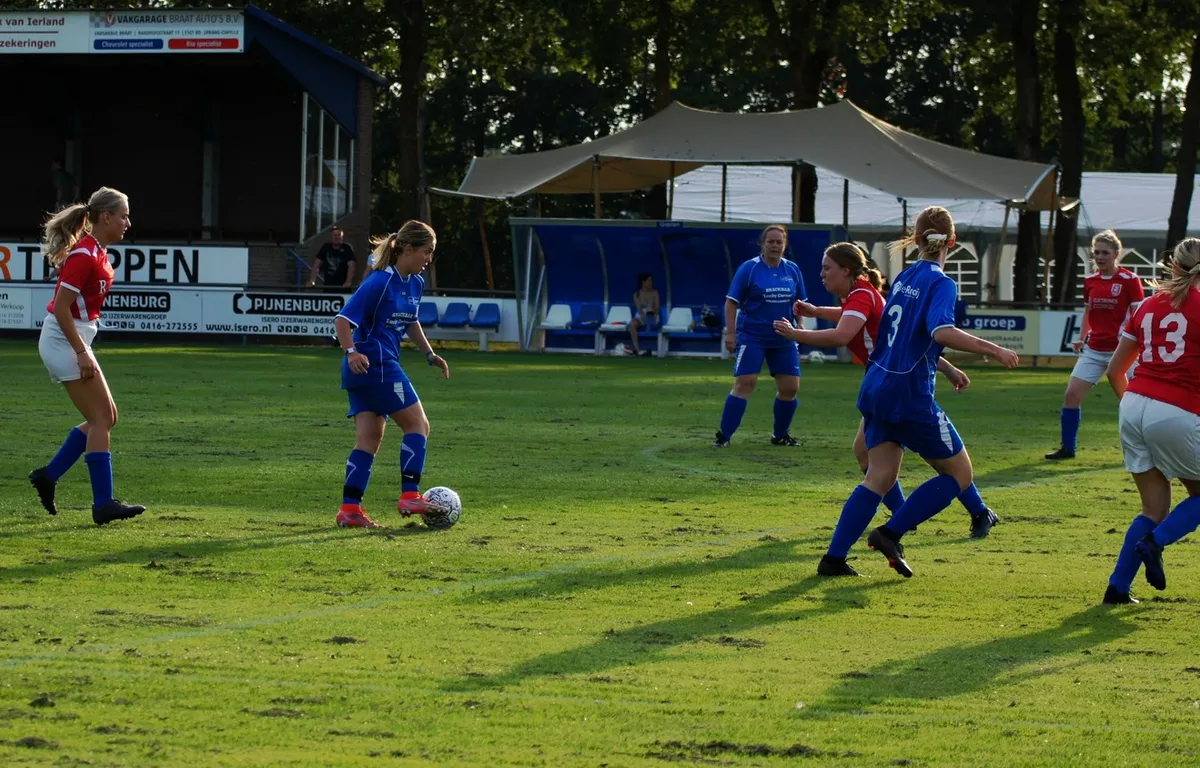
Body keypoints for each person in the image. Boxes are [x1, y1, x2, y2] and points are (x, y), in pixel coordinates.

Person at [773, 243, 999, 568]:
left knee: (879, 467)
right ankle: (901, 522)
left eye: (827, 268)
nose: (822, 273)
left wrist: (797, 333)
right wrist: (817, 312)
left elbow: (846, 333)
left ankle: (886, 530)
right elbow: (906, 331)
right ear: (948, 242)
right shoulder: (863, 295)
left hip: (887, 385)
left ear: (847, 271)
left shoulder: (884, 286)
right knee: (927, 467)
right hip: (894, 384)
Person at [823, 207, 1018, 578]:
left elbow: (901, 339)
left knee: (878, 477)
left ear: (915, 239)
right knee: (959, 475)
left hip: (876, 385)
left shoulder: (903, 276)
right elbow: (941, 331)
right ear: (953, 242)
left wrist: (945, 367)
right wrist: (993, 349)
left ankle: (833, 558)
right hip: (909, 395)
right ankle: (890, 533)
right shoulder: (942, 282)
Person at [28, 187, 145, 526]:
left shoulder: (97, 251)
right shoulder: (84, 255)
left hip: (74, 339)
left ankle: (49, 475)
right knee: (100, 420)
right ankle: (103, 504)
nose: (128, 222)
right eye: (123, 215)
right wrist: (81, 352)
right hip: (64, 341)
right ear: (105, 217)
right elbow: (62, 309)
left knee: (107, 417)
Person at [331, 220, 451, 528]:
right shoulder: (379, 281)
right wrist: (351, 351)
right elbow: (342, 321)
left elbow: (410, 321)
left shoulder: (415, 283)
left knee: (368, 439)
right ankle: (410, 494)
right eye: (427, 252)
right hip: (375, 365)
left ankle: (350, 510)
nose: (429, 259)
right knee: (419, 425)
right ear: (408, 250)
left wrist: (429, 353)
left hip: (367, 369)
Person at [1100, 237, 1200, 604]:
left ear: (1172, 265)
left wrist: (1138, 409)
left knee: (1153, 509)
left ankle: (1117, 588)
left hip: (1134, 404)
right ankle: (1154, 543)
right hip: (1175, 410)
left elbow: (1114, 371)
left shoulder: (1146, 305)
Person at [1046, 230, 1145, 460]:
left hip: (1123, 351)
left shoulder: (1130, 281)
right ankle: (1068, 448)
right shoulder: (1091, 281)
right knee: (1072, 394)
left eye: (1105, 253)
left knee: (1132, 402)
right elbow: (1089, 311)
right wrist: (1082, 336)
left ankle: (1141, 448)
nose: (1100, 257)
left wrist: (1135, 343)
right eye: (1096, 252)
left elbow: (1137, 314)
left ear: (1116, 254)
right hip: (1095, 349)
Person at [713, 225, 806, 447]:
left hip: (784, 338)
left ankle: (780, 435)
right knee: (746, 382)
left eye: (779, 242)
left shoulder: (792, 270)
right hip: (753, 336)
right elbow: (730, 302)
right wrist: (731, 333)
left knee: (790, 388)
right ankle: (724, 436)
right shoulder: (750, 269)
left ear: (785, 245)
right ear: (762, 244)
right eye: (771, 241)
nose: (775, 246)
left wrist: (800, 328)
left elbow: (800, 304)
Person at [626, 272, 660, 357]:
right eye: (649, 281)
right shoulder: (636, 294)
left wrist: (651, 311)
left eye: (651, 281)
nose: (651, 283)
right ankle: (637, 350)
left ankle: (649, 327)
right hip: (642, 316)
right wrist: (643, 314)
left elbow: (657, 308)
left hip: (653, 316)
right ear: (643, 282)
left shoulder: (655, 293)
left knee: (649, 308)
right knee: (632, 324)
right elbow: (639, 310)